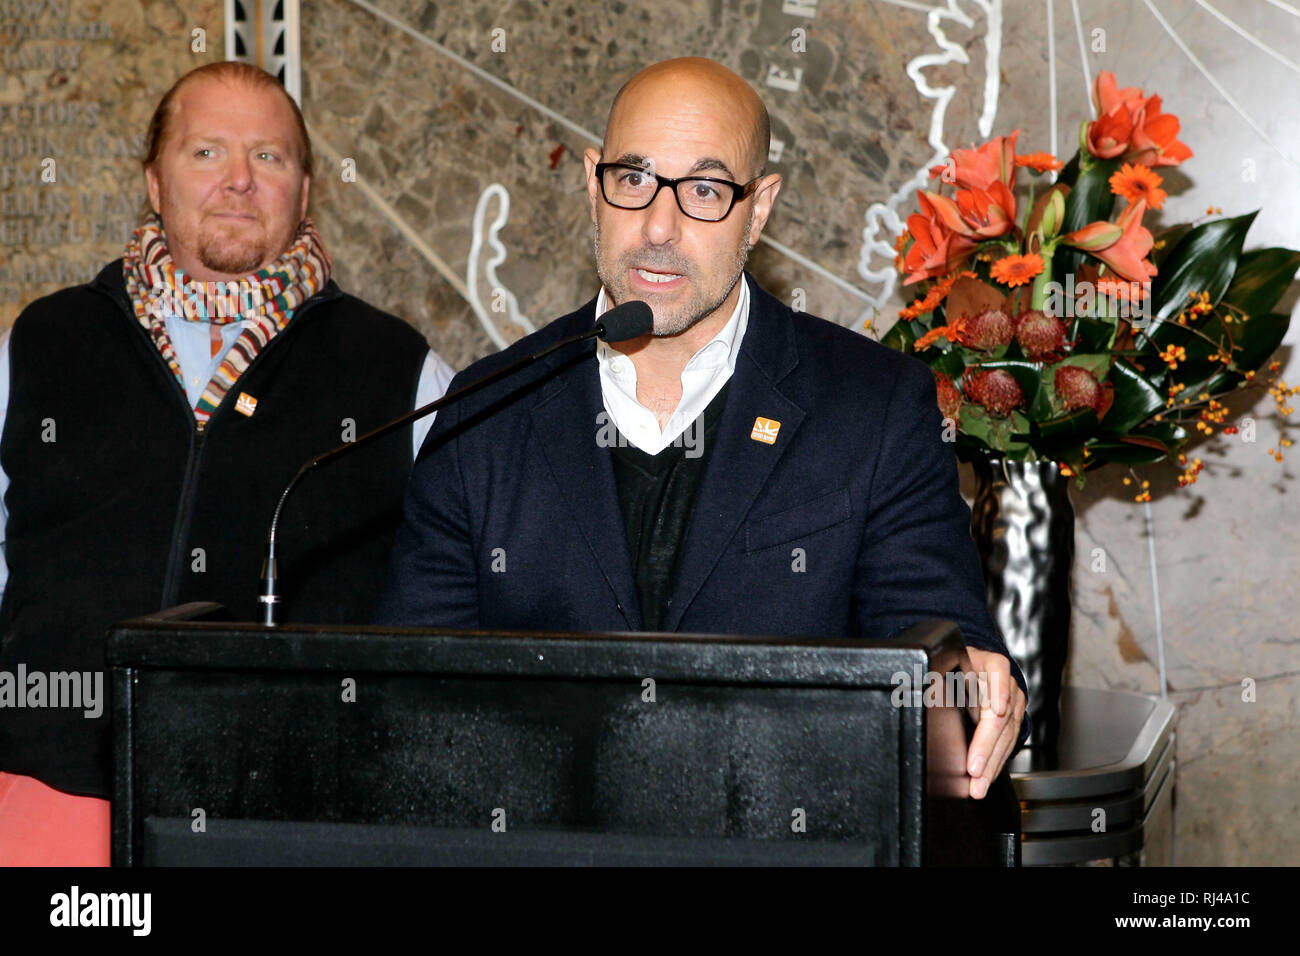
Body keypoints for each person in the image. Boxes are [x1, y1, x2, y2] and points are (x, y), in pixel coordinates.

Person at [375, 58, 1027, 801]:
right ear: (593, 183)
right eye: (633, 180)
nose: (659, 226)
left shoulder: (873, 408)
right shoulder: (484, 409)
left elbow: (944, 661)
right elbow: (408, 706)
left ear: (761, 209)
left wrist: (974, 692)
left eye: (706, 191)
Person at [0, 62, 453, 863]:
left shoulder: (401, 372)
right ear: (154, 178)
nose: (239, 181)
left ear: (306, 192)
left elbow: (445, 612)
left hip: (290, 815)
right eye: (206, 152)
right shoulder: (41, 343)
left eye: (269, 158)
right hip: (51, 799)